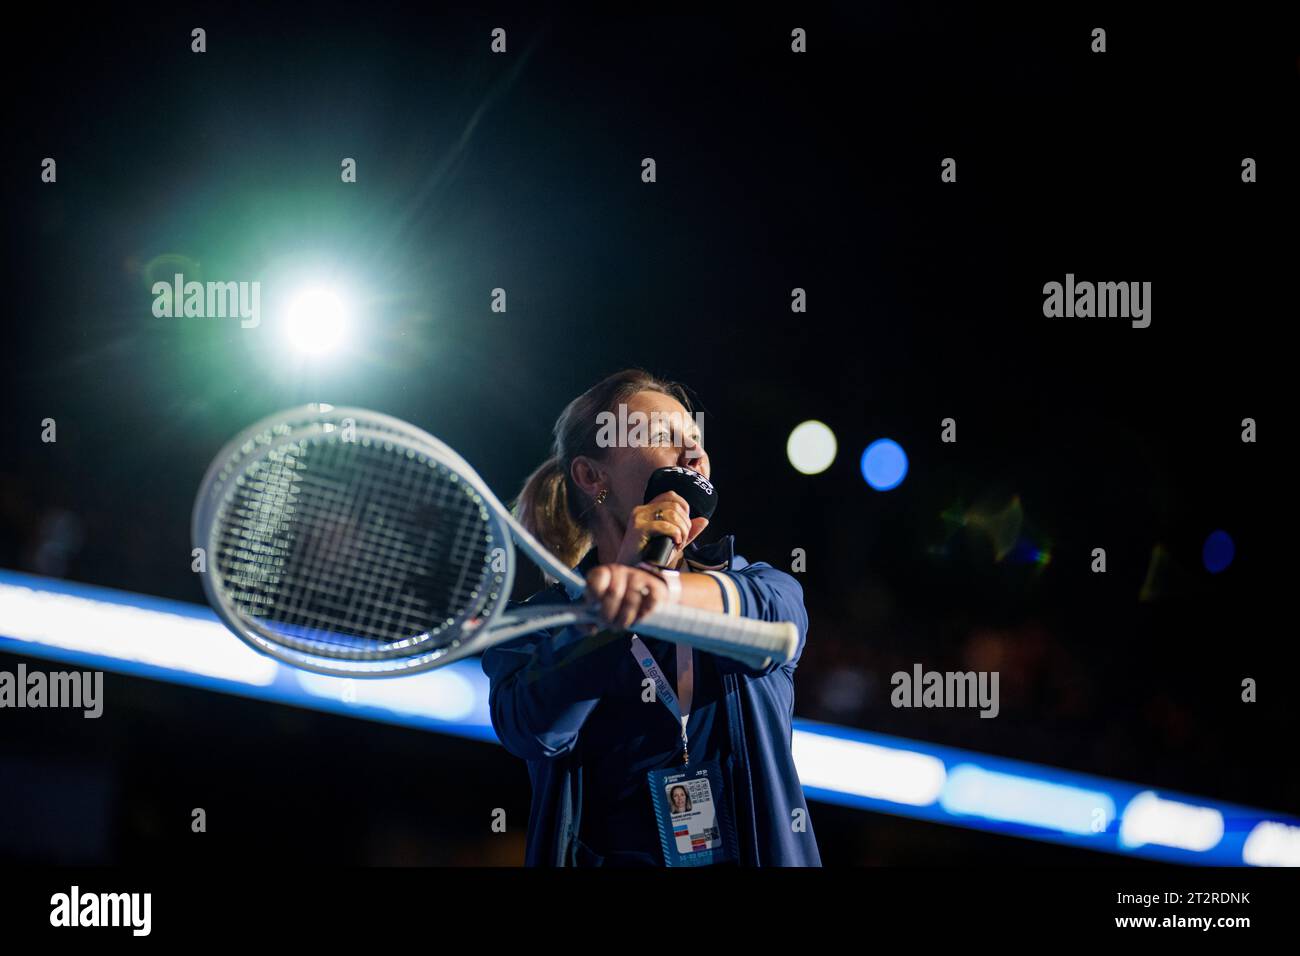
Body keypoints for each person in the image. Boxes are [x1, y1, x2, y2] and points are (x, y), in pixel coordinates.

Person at [481, 368, 820, 866]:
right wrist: (610, 610)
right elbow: (532, 729)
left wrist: (647, 581)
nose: (694, 455)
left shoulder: (766, 585)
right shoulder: (535, 628)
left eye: (696, 441)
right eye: (664, 438)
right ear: (592, 476)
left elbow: (773, 619)